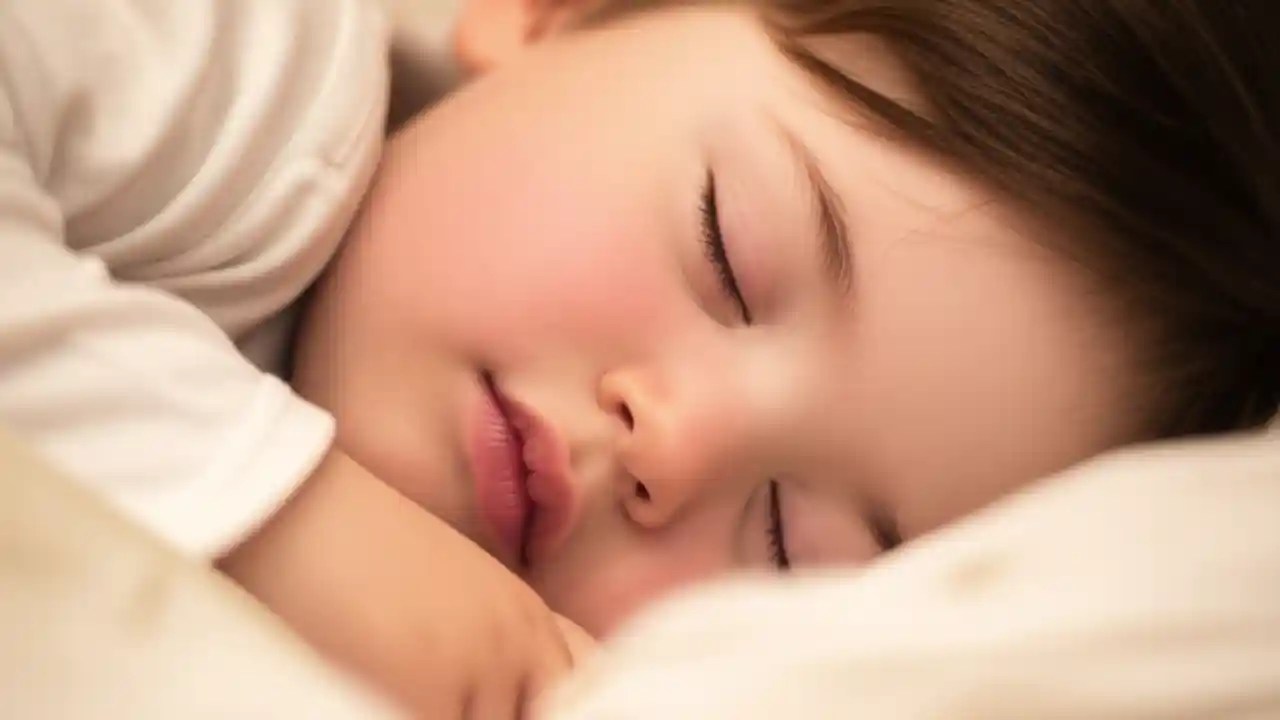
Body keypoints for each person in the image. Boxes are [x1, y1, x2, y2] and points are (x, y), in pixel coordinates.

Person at [1, 0, 1275, 717]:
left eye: (788, 541)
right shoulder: (244, 80)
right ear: (556, 16)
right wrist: (283, 510)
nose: (677, 443)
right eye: (728, 254)